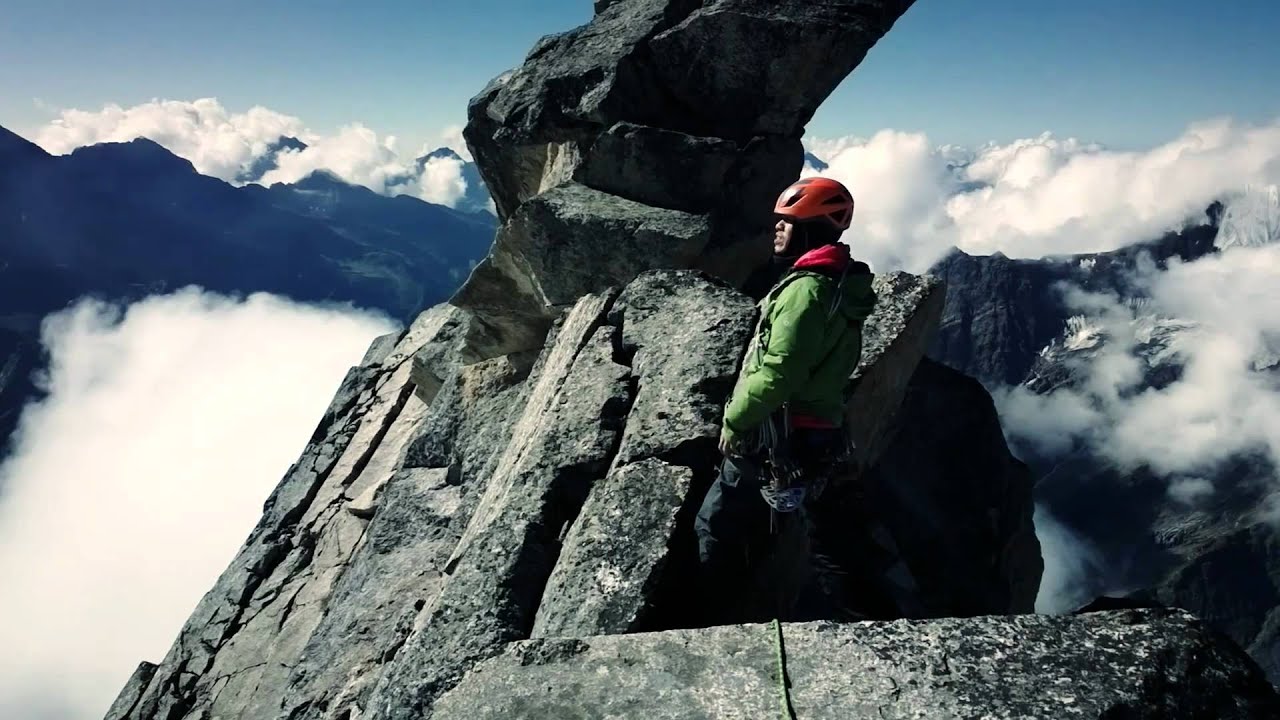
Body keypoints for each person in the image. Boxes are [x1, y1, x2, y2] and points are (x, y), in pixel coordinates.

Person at [694, 176, 882, 623]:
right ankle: (863, 615)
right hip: (818, 428)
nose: (776, 230)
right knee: (821, 532)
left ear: (811, 230)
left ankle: (704, 619)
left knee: (716, 524)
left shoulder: (806, 290)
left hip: (777, 430)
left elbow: (781, 368)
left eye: (787, 222)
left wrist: (736, 420)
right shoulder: (839, 284)